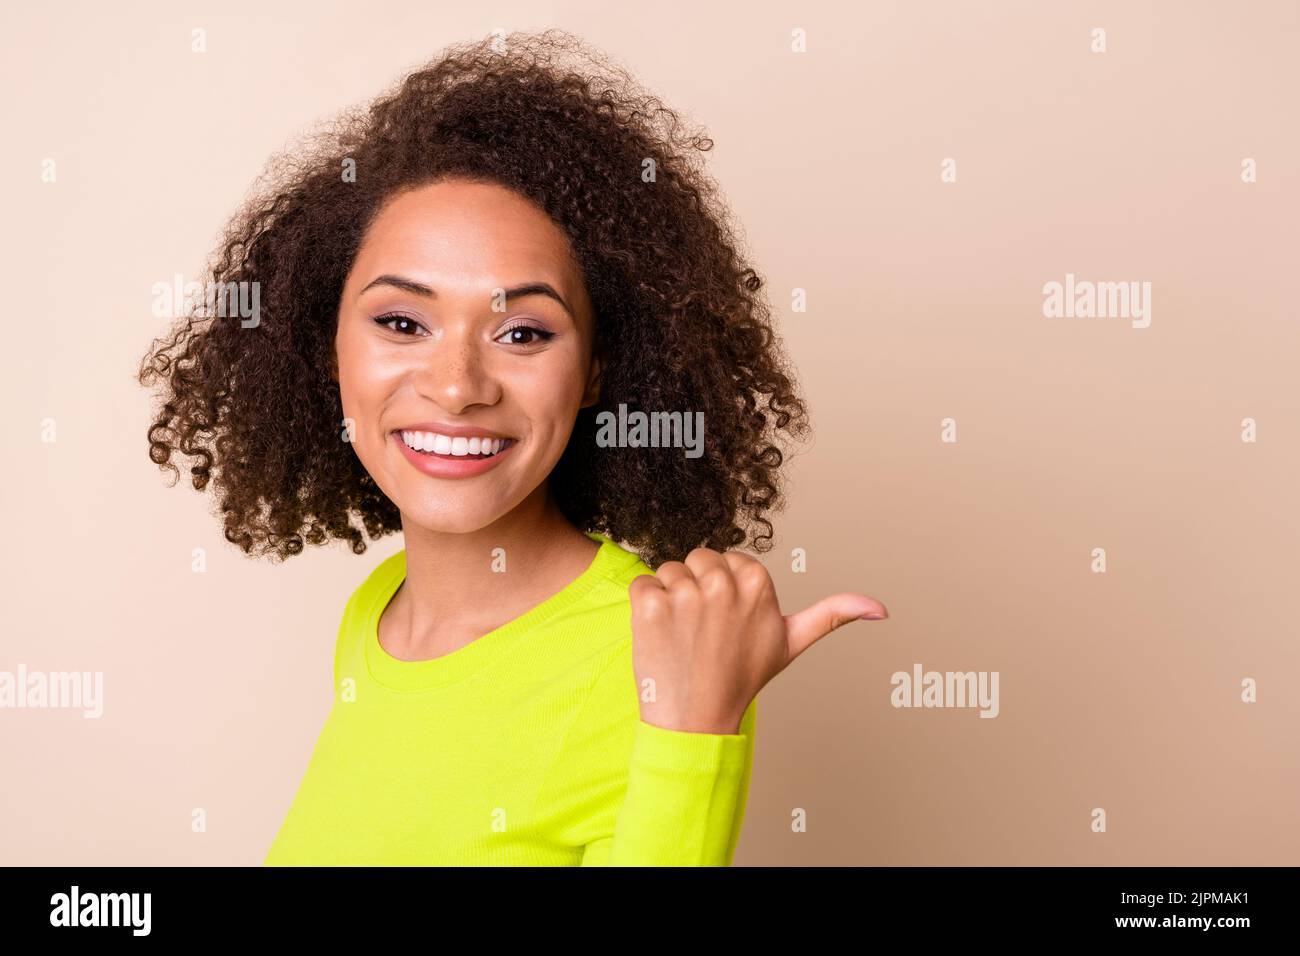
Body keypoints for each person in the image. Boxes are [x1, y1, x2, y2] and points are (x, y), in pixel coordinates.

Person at [138, 28, 888, 866]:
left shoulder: (656, 657)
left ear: (601, 370)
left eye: (524, 331)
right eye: (400, 322)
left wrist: (694, 736)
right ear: (327, 346)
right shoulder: (378, 612)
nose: (457, 385)